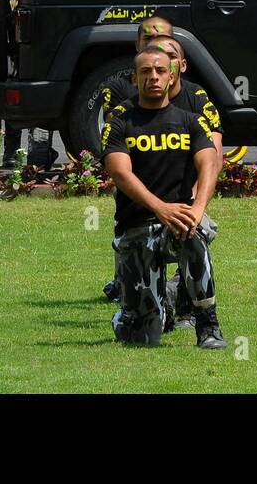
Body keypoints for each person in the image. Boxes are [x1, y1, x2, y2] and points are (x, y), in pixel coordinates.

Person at [102, 46, 225, 348]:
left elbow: (210, 161)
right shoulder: (120, 122)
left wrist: (197, 208)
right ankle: (153, 307)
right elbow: (119, 172)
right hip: (136, 229)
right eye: (145, 71)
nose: (153, 77)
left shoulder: (190, 121)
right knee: (145, 336)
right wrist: (160, 208)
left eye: (160, 71)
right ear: (135, 78)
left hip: (178, 225)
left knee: (193, 231)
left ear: (172, 76)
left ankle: (208, 325)